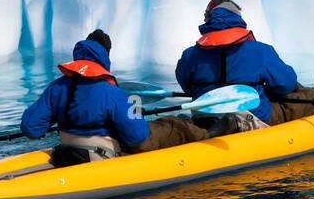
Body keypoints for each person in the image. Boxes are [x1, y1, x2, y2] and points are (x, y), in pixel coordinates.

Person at [20, 29, 210, 164]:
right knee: (172, 123)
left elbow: (31, 129)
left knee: (176, 121)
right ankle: (211, 135)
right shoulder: (110, 92)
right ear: (104, 56)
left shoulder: (55, 88)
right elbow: (138, 137)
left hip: (68, 150)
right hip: (101, 156)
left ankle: (191, 124)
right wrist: (134, 113)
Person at [175, 0, 314, 134]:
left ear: (209, 17)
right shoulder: (260, 51)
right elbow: (286, 84)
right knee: (298, 98)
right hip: (253, 118)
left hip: (204, 119)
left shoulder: (189, 55)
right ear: (237, 18)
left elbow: (188, 89)